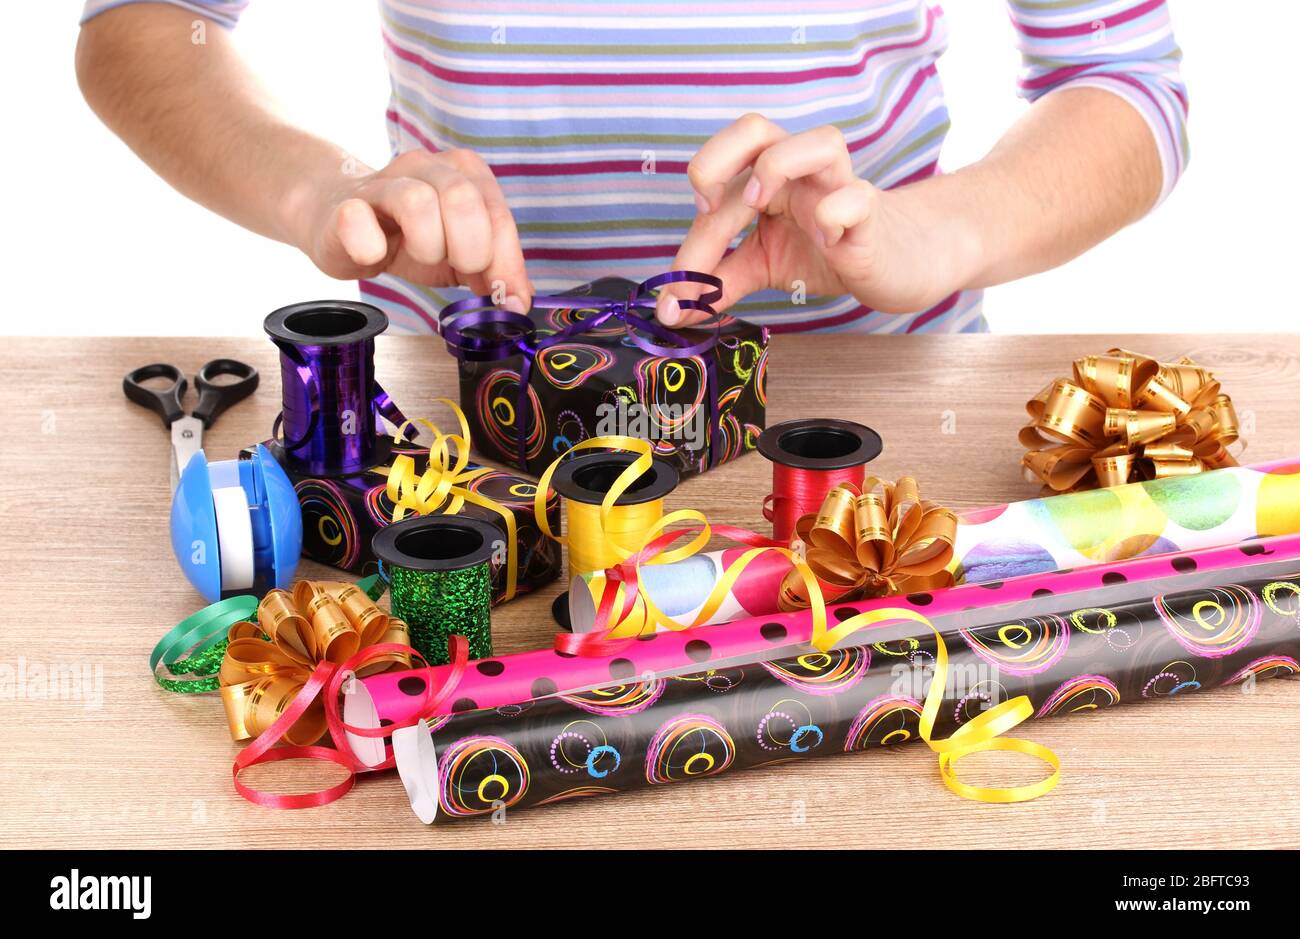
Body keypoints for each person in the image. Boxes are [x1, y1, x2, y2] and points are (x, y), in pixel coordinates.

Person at [77, 1, 1187, 333]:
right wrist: (317, 188)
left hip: (869, 438)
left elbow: (1125, 78)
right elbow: (141, 22)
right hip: (453, 449)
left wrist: (932, 232)